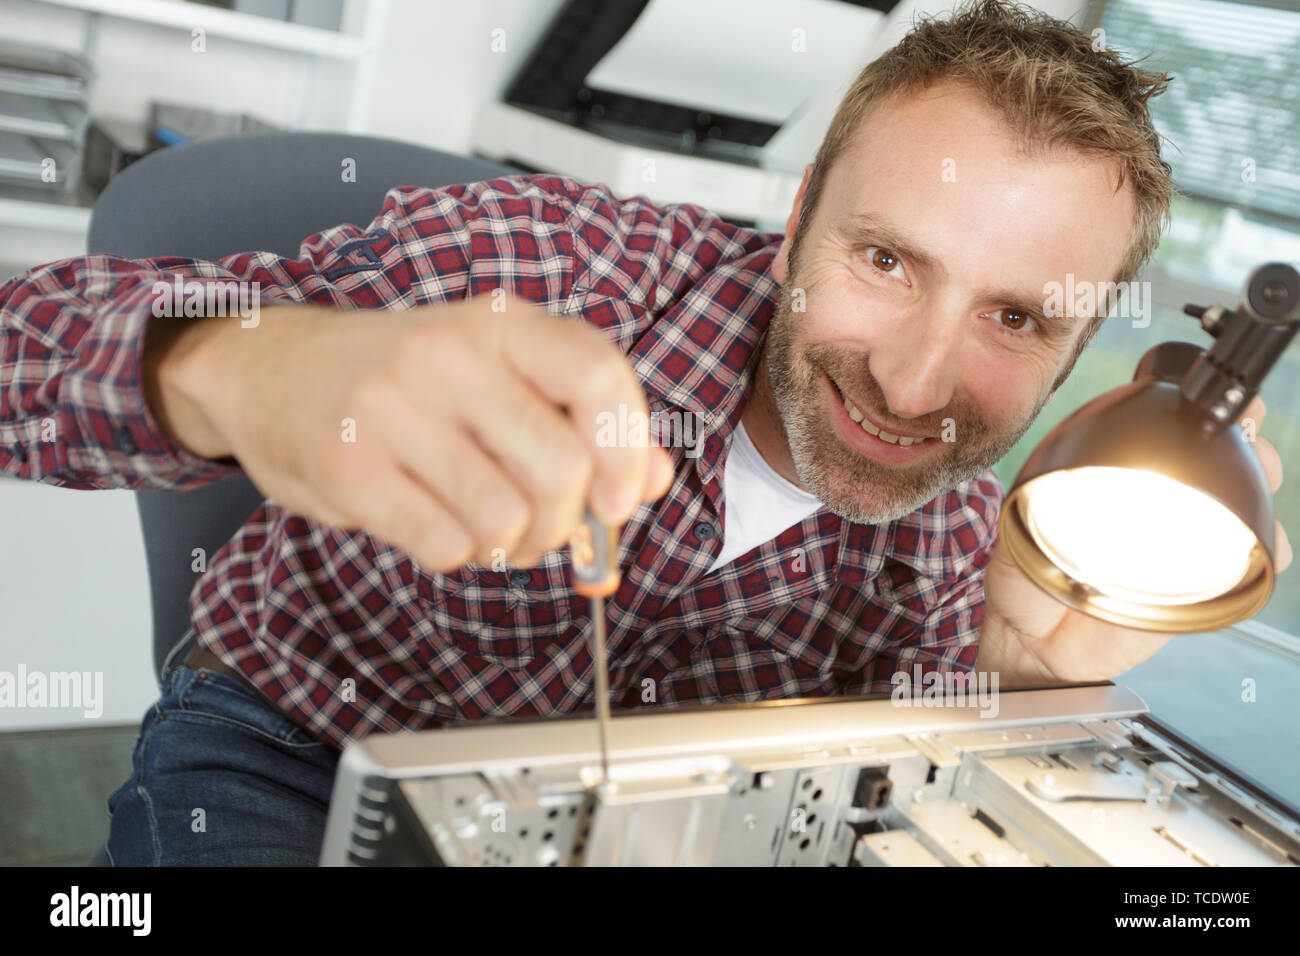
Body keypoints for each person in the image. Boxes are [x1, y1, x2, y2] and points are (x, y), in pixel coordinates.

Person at [0, 0, 1287, 865]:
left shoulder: (988, 516)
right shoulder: (541, 263)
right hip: (304, 743)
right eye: (886, 259)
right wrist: (238, 366)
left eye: (1014, 315)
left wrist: (1012, 673)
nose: (911, 380)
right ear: (793, 228)